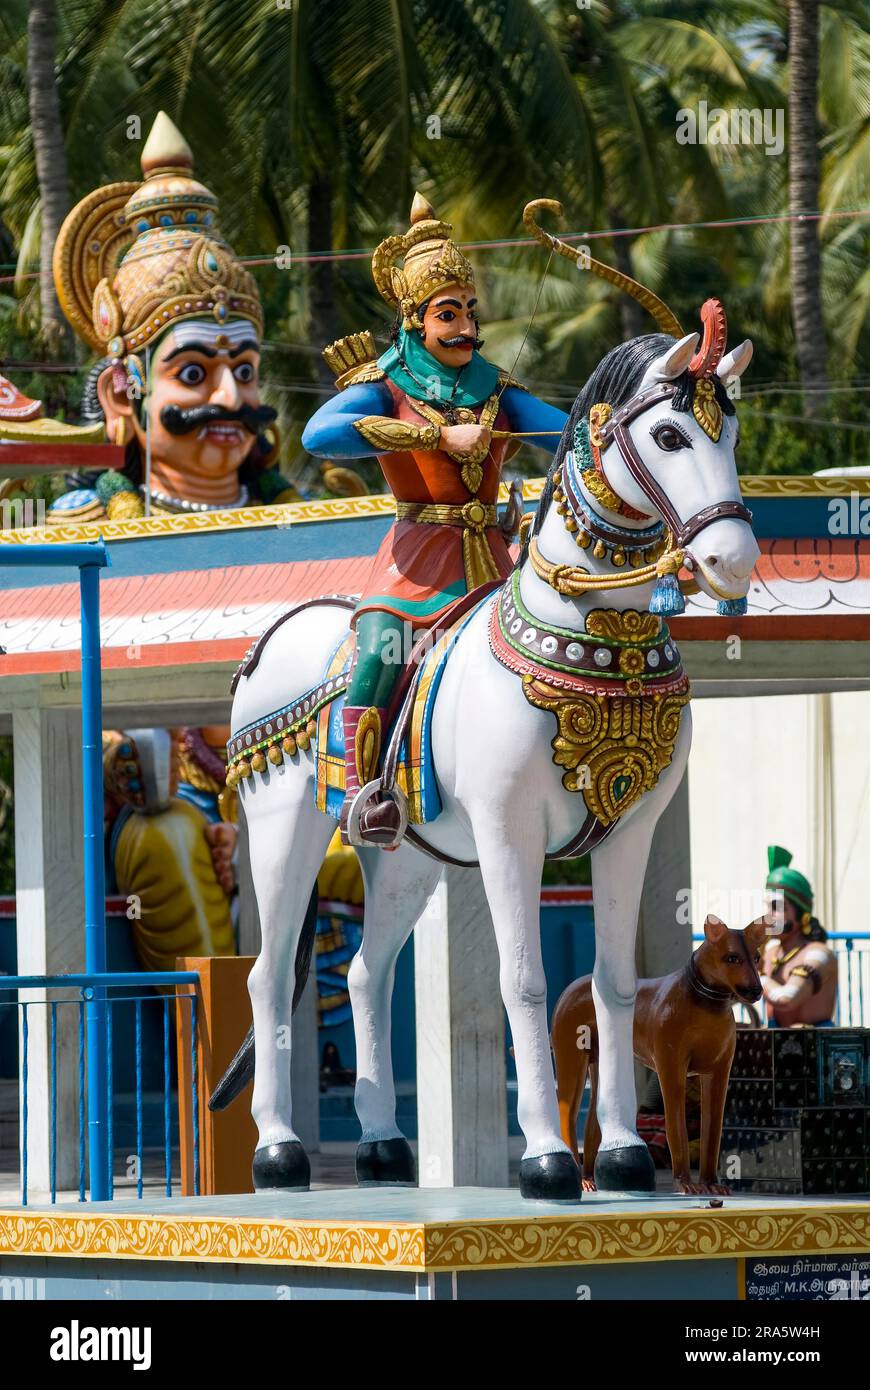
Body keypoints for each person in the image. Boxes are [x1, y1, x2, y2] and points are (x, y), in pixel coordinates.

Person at [302, 193, 568, 844]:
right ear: (417, 321)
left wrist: (624, 418)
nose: (465, 329)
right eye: (448, 315)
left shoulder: (496, 388)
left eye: (469, 312)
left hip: (496, 569)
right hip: (415, 565)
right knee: (380, 657)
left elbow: (567, 434)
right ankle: (361, 796)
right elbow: (319, 435)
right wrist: (430, 441)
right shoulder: (385, 383)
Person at [761, 845, 837, 1027]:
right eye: (769, 907)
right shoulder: (770, 951)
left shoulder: (819, 954)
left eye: (778, 908)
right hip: (775, 1045)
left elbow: (787, 998)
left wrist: (755, 977)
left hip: (816, 1050)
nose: (769, 915)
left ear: (802, 915)